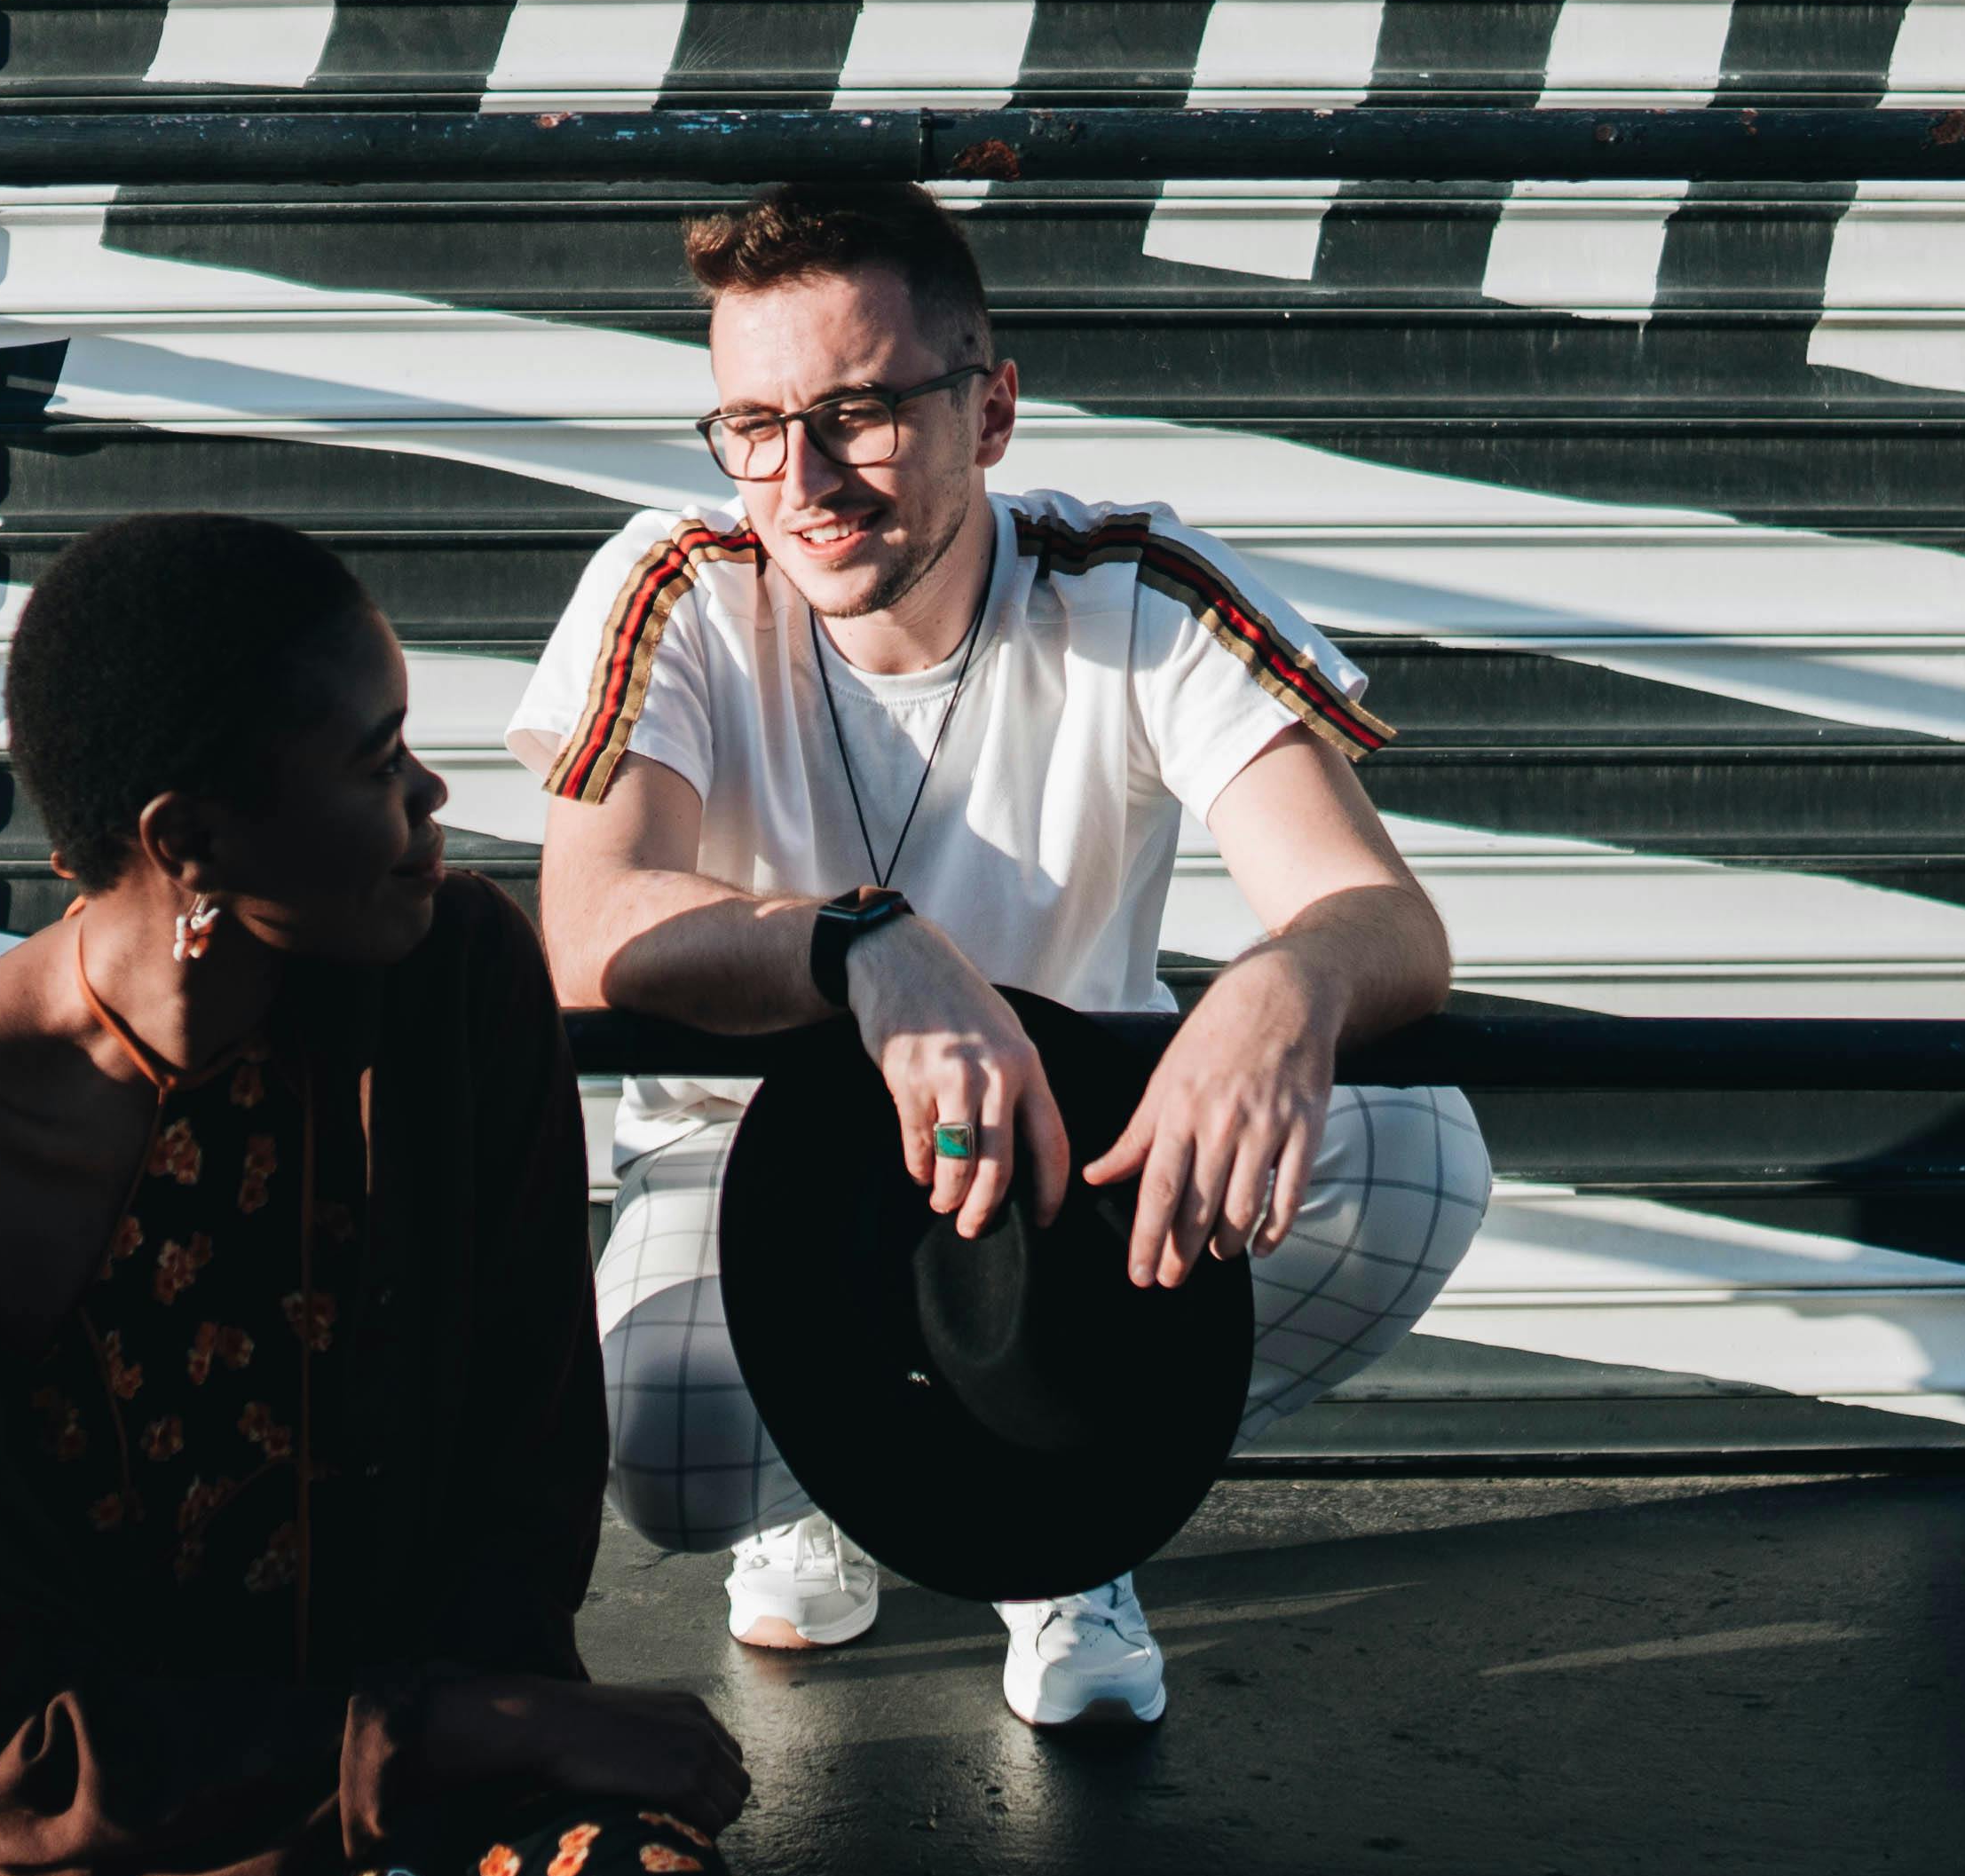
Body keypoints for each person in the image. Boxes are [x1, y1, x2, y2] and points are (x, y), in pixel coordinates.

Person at [0, 511, 804, 1876]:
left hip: (434, 1832)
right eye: (376, 758)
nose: (432, 804)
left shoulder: (452, 987)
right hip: (111, 1868)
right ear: (191, 841)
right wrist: (467, 1735)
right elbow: (11, 1754)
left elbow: (518, 1507)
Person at [514, 180, 1491, 1728]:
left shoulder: (1133, 586)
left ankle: (1067, 1501)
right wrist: (859, 948)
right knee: (681, 1456)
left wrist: (1281, 987)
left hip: (1069, 1164)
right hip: (760, 1171)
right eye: (753, 425)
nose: (803, 478)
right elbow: (592, 926)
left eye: (858, 411)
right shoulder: (680, 585)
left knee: (1422, 1155)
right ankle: (835, 1480)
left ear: (994, 408)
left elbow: (1383, 920)